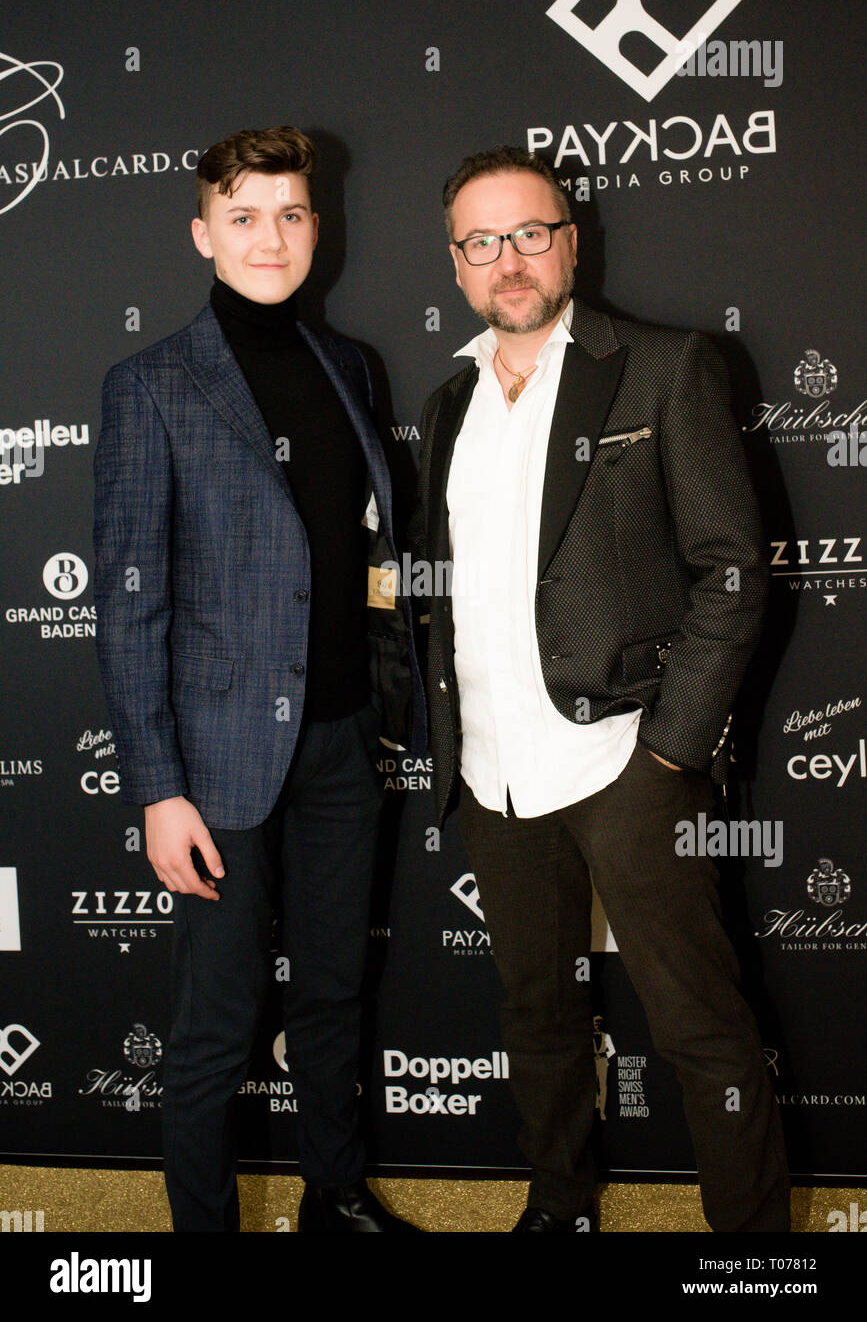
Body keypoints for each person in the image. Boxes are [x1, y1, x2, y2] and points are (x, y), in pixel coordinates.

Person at [412, 145, 789, 1232]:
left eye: (531, 233)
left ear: (570, 242)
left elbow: (730, 565)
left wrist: (672, 746)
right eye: (482, 243)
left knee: (699, 1024)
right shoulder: (448, 403)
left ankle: (756, 1252)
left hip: (625, 758)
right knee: (536, 1012)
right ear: (457, 266)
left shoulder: (664, 366)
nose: (509, 260)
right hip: (491, 773)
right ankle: (561, 1205)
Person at [93, 124, 425, 1233]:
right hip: (218, 763)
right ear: (202, 234)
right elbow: (130, 601)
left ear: (316, 229)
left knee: (332, 994)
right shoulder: (149, 385)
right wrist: (157, 787)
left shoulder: (351, 364)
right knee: (215, 1025)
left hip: (342, 743)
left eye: (289, 214)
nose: (269, 236)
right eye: (244, 217)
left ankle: (335, 1195)